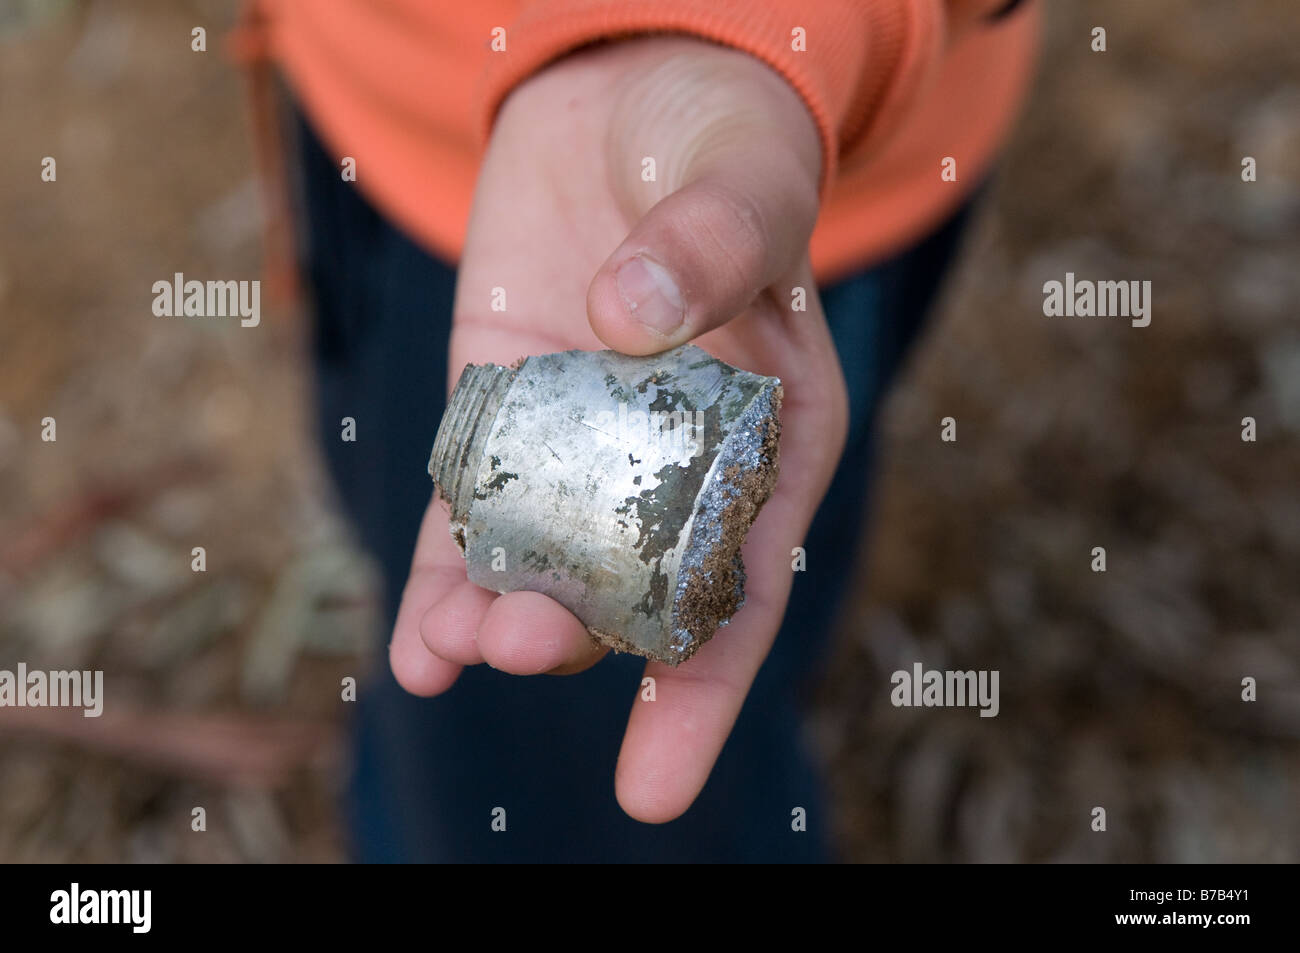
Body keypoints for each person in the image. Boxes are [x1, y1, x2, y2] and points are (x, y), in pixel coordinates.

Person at [233, 0, 1040, 861]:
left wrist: (773, 29)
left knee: (572, 768)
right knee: (397, 534)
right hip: (367, 93)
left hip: (794, 168)